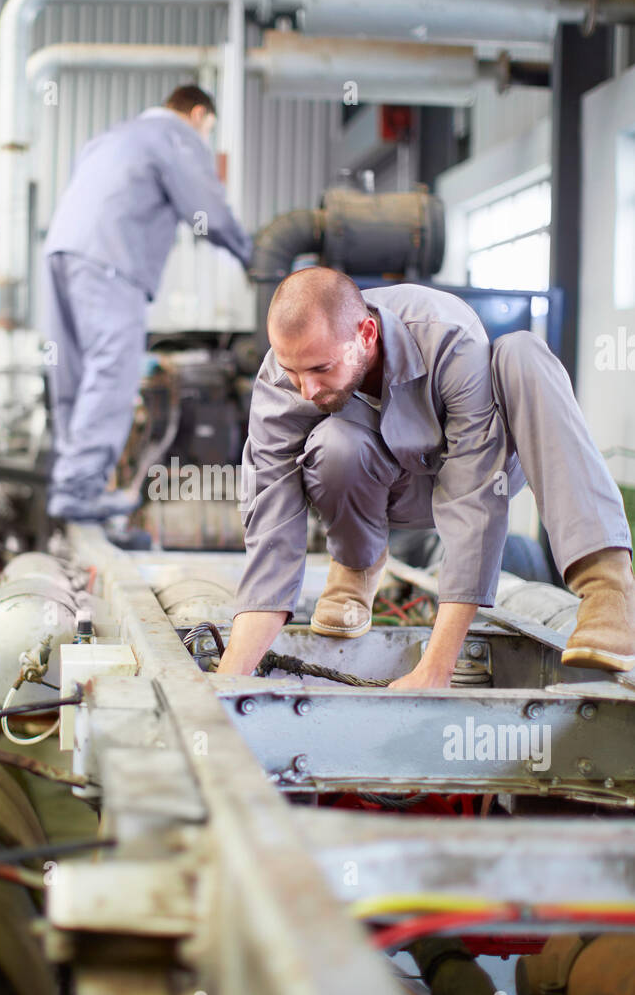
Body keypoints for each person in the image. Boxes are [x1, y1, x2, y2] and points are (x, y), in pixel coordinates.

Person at [216, 266, 635, 685]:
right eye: (294, 371)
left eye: (321, 369)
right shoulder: (284, 373)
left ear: (365, 334)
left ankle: (608, 588)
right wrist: (229, 679)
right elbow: (270, 517)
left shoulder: (446, 332)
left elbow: (473, 496)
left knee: (523, 353)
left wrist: (436, 666)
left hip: (487, 468)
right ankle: (357, 568)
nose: (306, 390)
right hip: (394, 489)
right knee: (335, 444)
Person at [42, 84, 253, 520]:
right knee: (112, 369)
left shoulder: (114, 136)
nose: (205, 139)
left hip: (62, 251)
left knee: (73, 372)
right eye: (207, 130)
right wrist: (251, 255)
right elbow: (206, 213)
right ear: (197, 115)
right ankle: (80, 488)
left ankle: (71, 482)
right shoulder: (176, 136)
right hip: (111, 260)